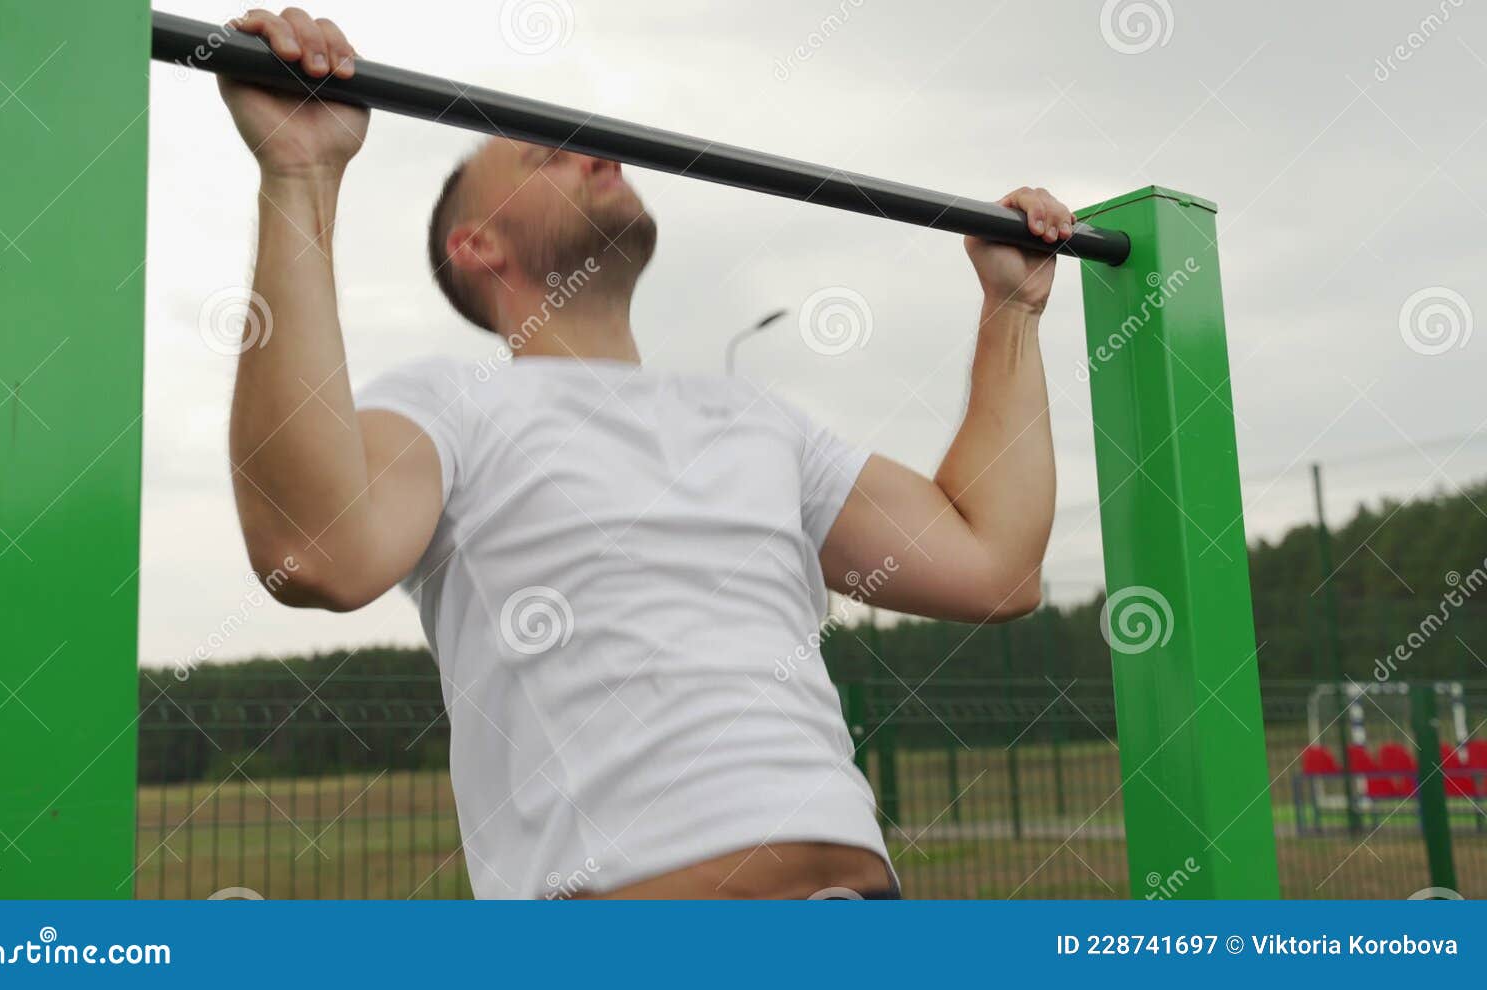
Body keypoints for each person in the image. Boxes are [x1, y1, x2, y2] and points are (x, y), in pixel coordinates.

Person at [219, 7, 1072, 899]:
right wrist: (302, 170)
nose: (599, 153)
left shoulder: (755, 418)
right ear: (477, 245)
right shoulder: (453, 406)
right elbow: (313, 550)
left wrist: (1012, 312)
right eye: (549, 155)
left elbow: (995, 566)